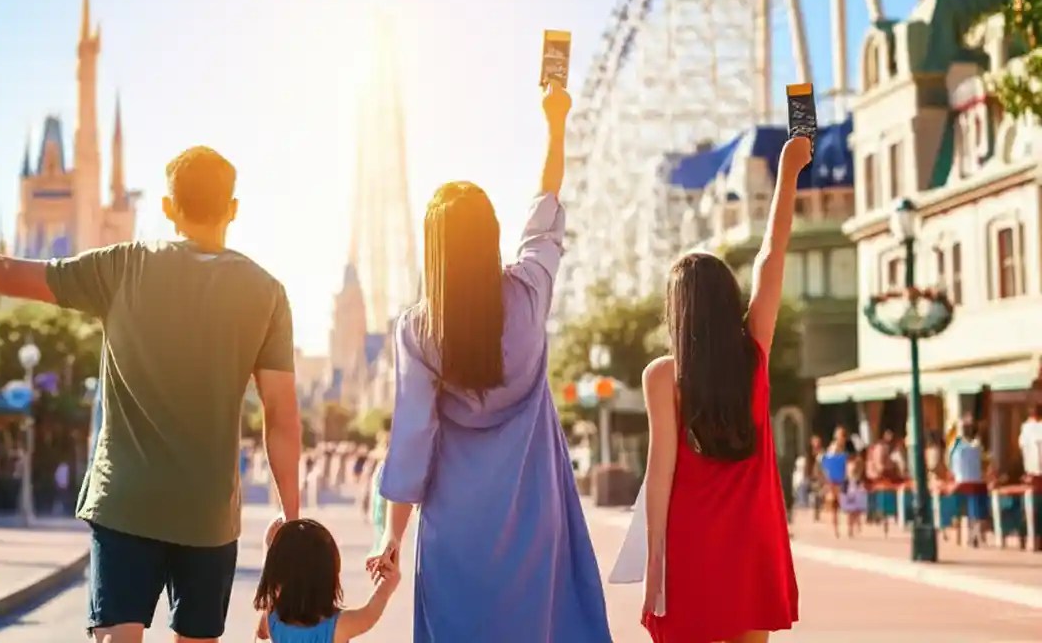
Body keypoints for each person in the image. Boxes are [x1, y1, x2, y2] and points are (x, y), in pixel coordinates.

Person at [0, 146, 303, 643]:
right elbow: (281, 415)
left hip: (123, 503)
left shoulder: (124, 266)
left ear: (168, 208)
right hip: (208, 513)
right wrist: (291, 519)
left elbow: (6, 274)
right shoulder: (267, 293)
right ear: (232, 208)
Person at [366, 82, 612, 642]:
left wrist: (391, 536)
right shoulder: (529, 293)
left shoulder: (419, 330)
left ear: (435, 251)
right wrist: (556, 122)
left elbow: (411, 440)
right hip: (535, 519)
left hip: (454, 530)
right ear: (493, 235)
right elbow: (545, 208)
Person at [638, 135, 809, 643]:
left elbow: (660, 473)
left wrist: (654, 561)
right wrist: (788, 174)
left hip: (691, 541)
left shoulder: (662, 377)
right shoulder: (753, 352)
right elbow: (771, 256)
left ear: (678, 312)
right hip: (754, 538)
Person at [254, 519, 400, 643]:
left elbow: (261, 631)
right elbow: (369, 614)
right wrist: (387, 584)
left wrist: (269, 547)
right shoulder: (338, 626)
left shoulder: (272, 619)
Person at [840, 458, 868, 538]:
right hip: (850, 492)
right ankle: (851, 529)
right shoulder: (851, 473)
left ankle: (853, 527)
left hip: (854, 492)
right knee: (852, 513)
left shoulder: (858, 476)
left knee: (854, 512)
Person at [1020, 404, 1042, 480]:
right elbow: (1022, 443)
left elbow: (1022, 443)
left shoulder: (1027, 426)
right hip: (1033, 466)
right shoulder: (1027, 426)